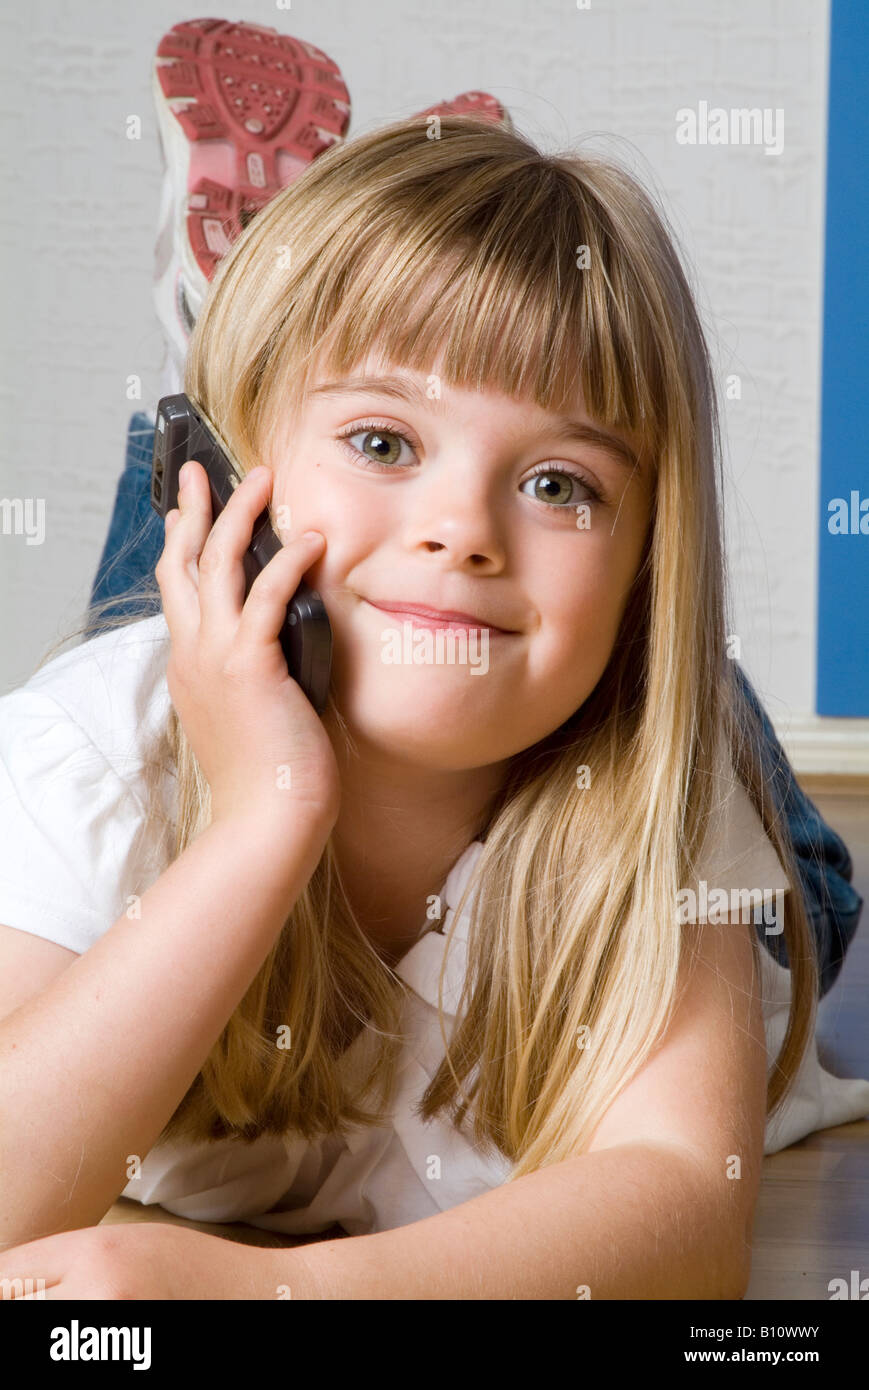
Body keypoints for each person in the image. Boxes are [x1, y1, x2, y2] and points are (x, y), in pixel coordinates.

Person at [0, 24, 867, 1302]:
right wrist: (263, 818)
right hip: (267, 641)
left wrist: (274, 1297)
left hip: (648, 740)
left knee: (652, 682)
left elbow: (685, 1209)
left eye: (557, 478)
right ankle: (241, 334)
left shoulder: (653, 800)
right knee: (205, 551)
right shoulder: (93, 756)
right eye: (389, 439)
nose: (465, 529)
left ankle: (338, 284)